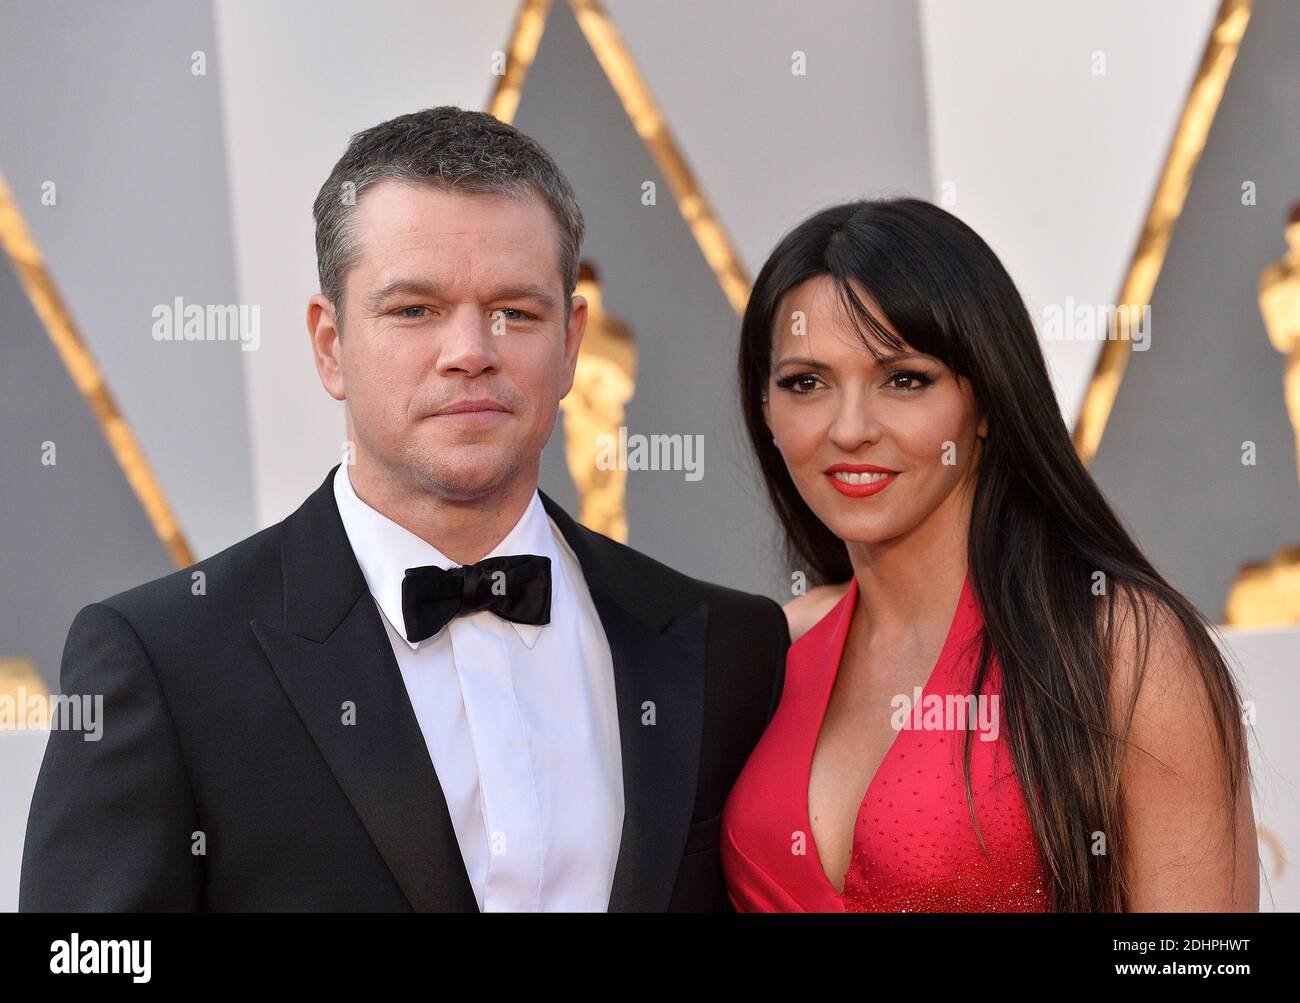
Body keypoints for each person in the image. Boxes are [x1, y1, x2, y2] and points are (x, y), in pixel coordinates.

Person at [19, 106, 788, 912]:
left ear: (570, 343)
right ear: (329, 344)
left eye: (515, 312)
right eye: (414, 310)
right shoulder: (165, 662)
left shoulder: (723, 646)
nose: (470, 351)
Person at [723, 197, 1259, 911]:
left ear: (985, 402)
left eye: (903, 378)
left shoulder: (1120, 648)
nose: (849, 428)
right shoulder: (774, 650)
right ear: (765, 409)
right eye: (806, 383)